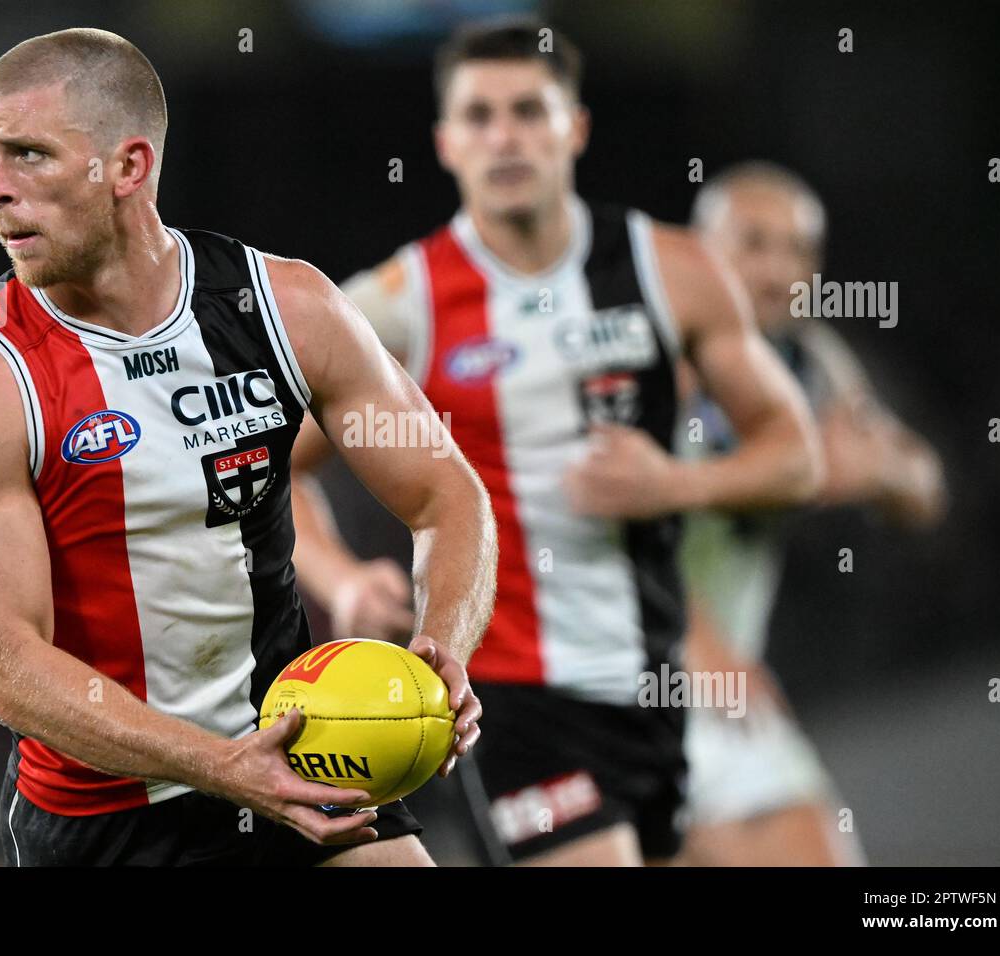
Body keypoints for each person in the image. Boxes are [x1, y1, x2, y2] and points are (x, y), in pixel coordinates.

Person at [0, 28, 496, 867]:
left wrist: (446, 647)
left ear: (129, 167)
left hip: (298, 764)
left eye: (28, 154)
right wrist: (222, 766)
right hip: (106, 819)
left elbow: (447, 495)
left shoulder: (285, 308)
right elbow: (9, 668)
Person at [289, 18, 822, 866]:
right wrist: (343, 579)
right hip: (508, 697)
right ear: (445, 142)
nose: (505, 136)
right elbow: (274, 471)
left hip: (651, 685)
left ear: (574, 128)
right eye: (480, 115)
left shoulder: (669, 269)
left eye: (529, 112)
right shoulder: (402, 299)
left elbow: (796, 453)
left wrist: (672, 486)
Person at [678, 161, 947, 866]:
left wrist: (879, 473)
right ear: (702, 249)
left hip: (718, 692)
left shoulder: (811, 365)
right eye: (754, 243)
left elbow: (924, 483)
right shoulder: (656, 355)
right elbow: (587, 525)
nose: (778, 269)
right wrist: (699, 648)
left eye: (798, 250)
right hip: (619, 681)